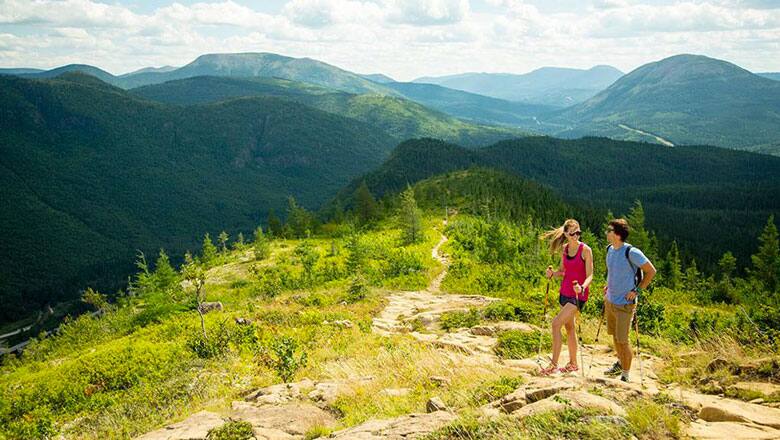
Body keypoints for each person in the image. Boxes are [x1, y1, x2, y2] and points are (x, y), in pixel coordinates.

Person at [603, 218, 657, 382]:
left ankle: (625, 374)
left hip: (625, 304)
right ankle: (620, 363)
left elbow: (651, 271)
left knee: (623, 340)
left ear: (617, 235)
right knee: (614, 336)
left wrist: (637, 291)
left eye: (609, 230)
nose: (607, 232)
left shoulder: (631, 252)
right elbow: (613, 272)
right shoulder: (610, 249)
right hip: (610, 300)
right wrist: (608, 286)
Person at [538, 219, 593, 375]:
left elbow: (590, 275)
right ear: (567, 235)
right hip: (565, 292)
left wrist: (582, 287)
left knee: (556, 324)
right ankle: (573, 363)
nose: (577, 236)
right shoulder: (565, 249)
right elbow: (563, 271)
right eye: (573, 233)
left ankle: (553, 364)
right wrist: (553, 274)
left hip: (577, 295)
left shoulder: (585, 250)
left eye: (578, 233)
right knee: (569, 328)